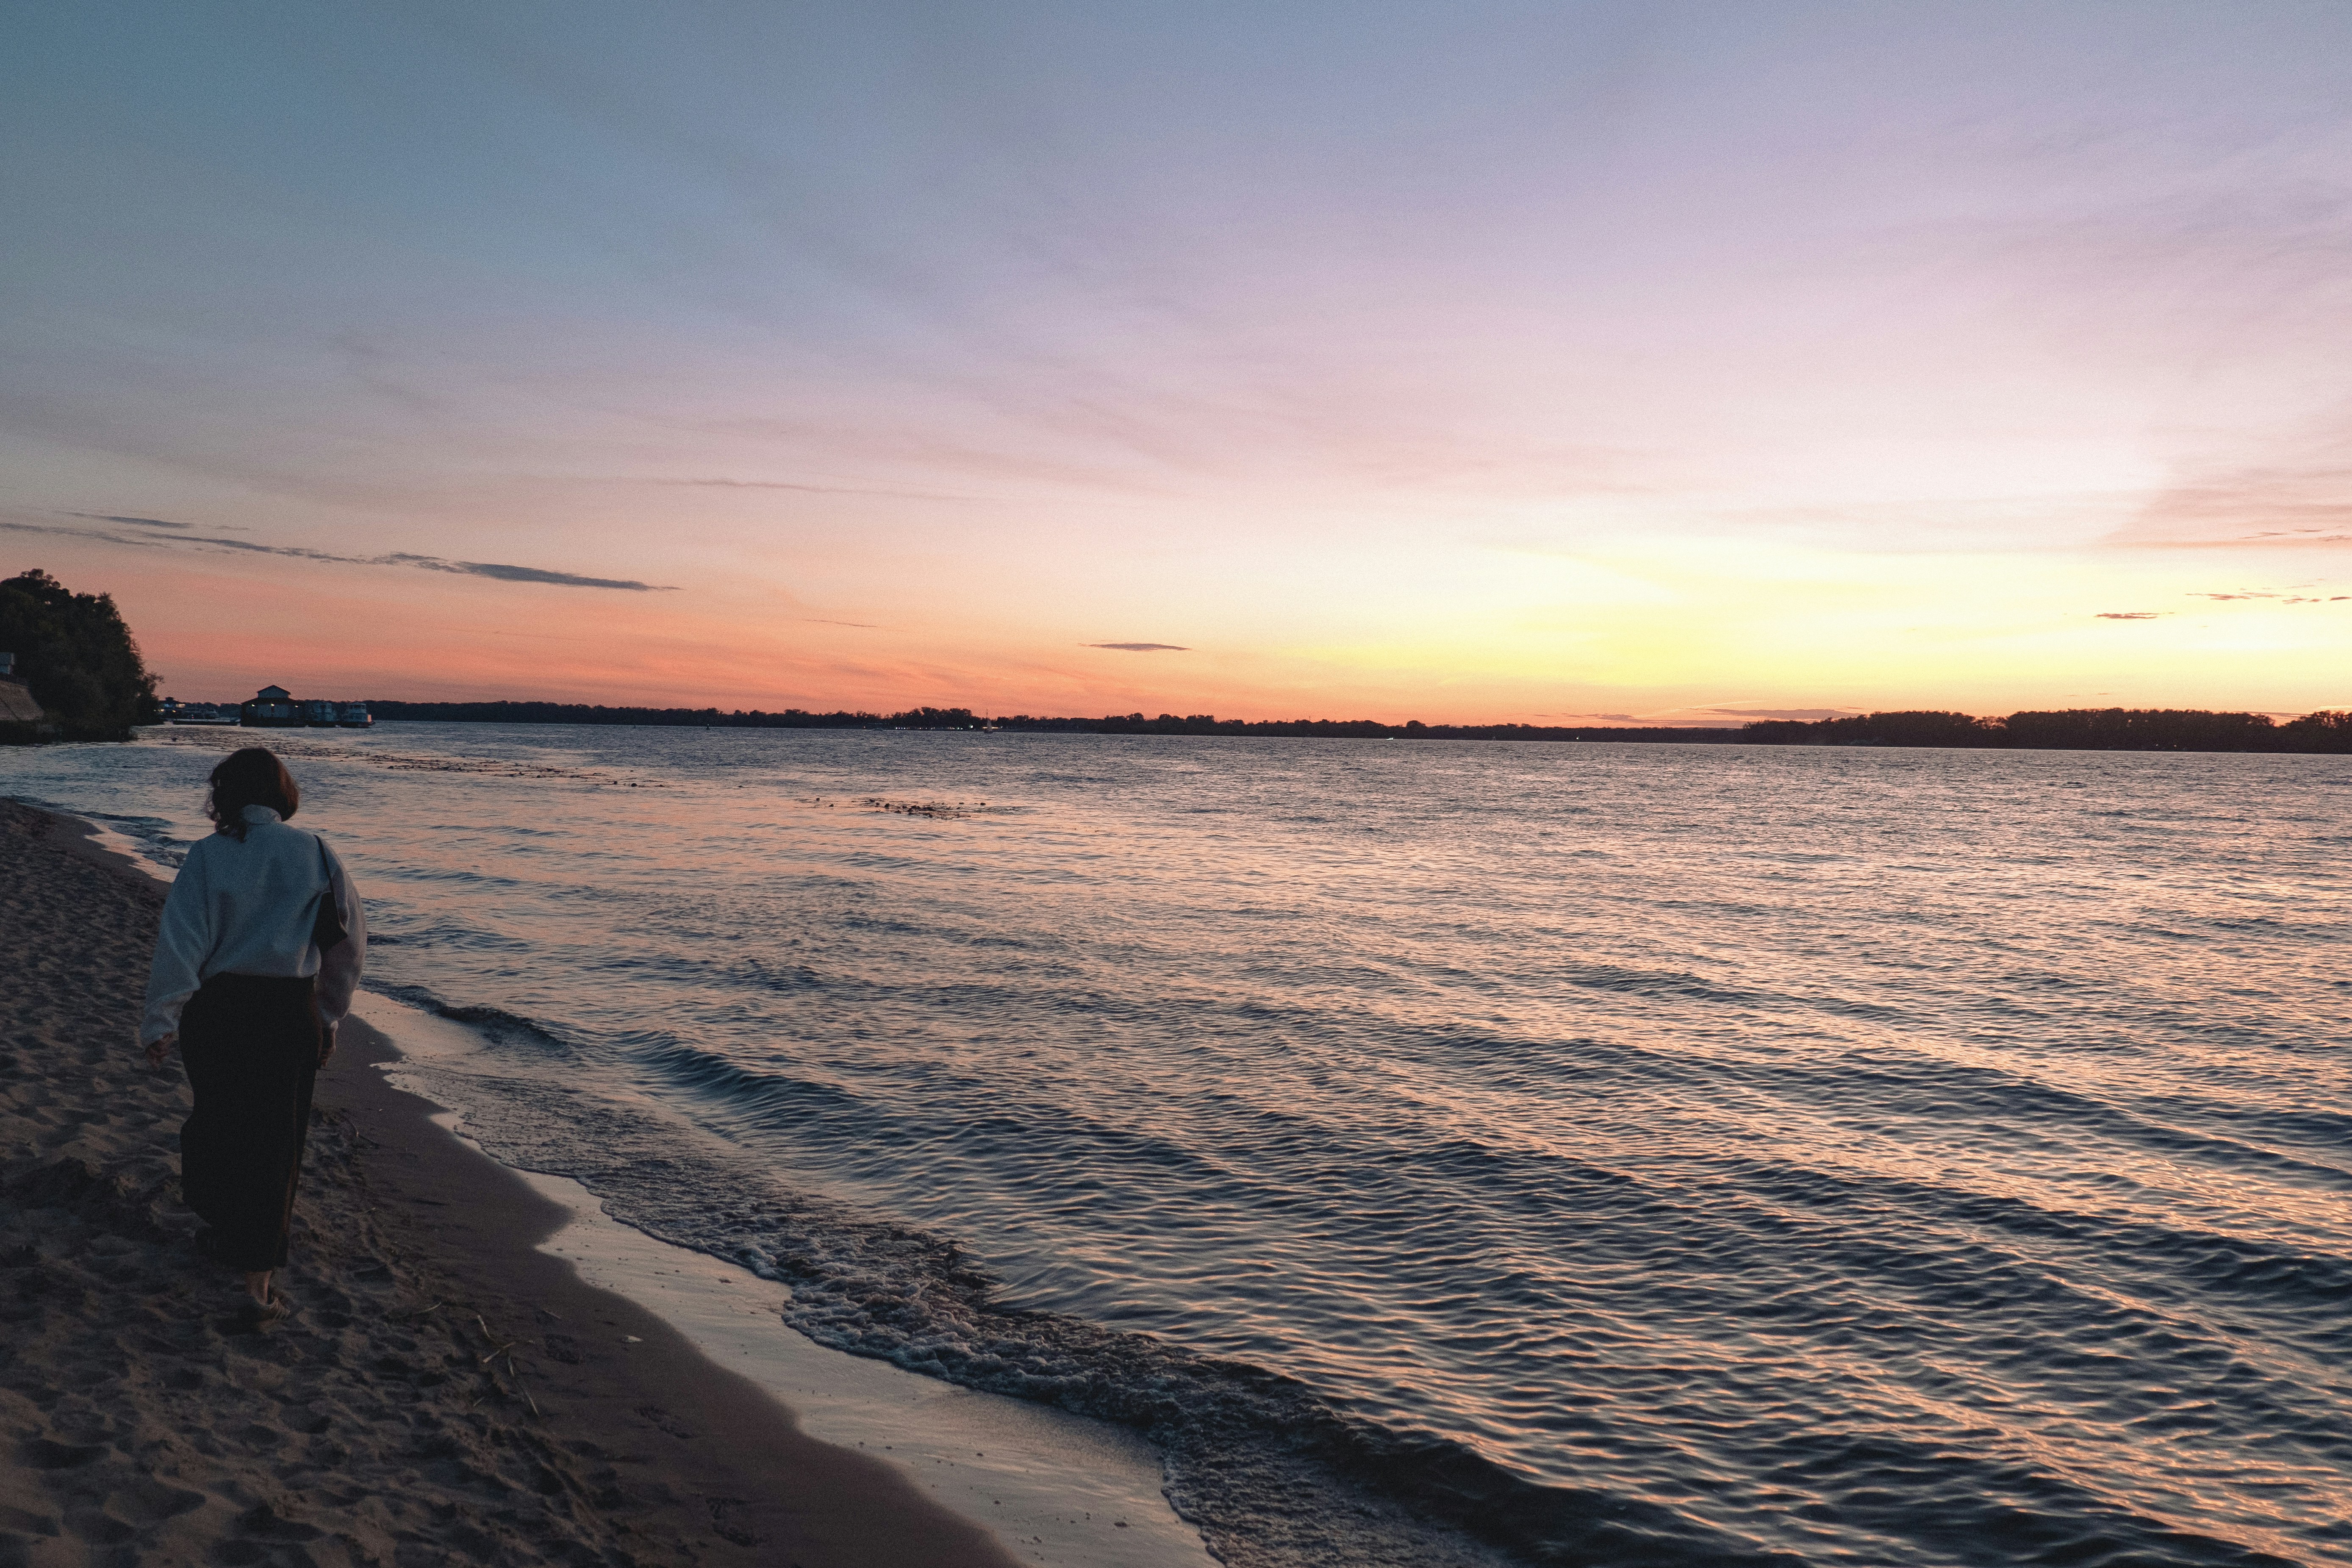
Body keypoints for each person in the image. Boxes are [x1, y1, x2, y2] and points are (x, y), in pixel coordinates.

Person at [140, 747, 367, 1323]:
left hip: (219, 1011)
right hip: (288, 1011)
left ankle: (234, 1242)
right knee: (276, 1142)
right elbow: (347, 946)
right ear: (283, 793)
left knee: (219, 1121)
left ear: (227, 796)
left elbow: (181, 942)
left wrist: (162, 1020)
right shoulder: (316, 853)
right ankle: (255, 1278)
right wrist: (331, 1014)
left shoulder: (210, 856)